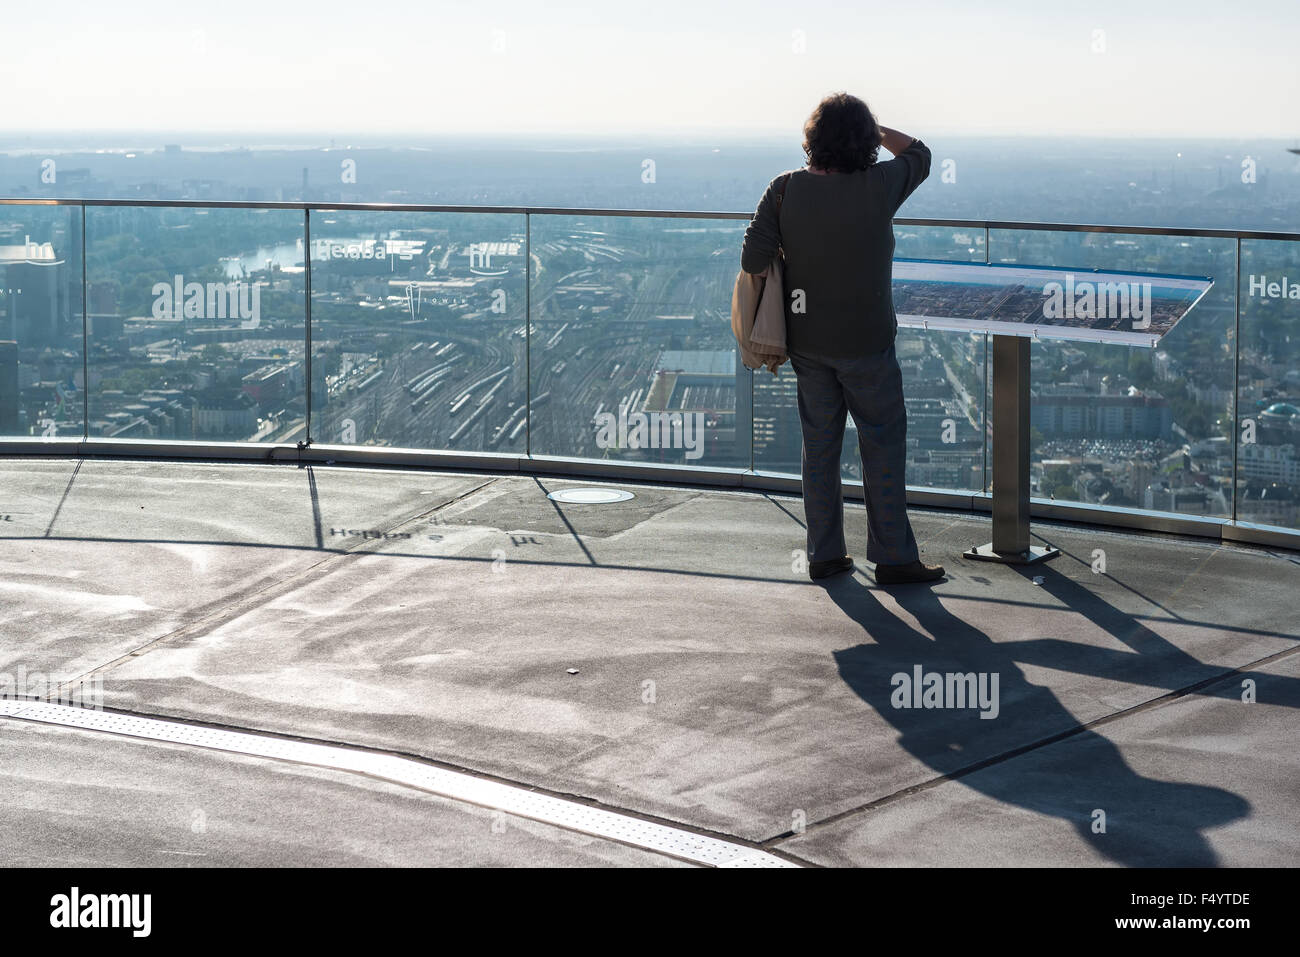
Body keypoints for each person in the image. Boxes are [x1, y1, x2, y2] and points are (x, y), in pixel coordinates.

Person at [741, 92, 945, 585]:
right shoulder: (880, 184)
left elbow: (753, 260)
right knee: (882, 447)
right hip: (868, 341)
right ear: (863, 143)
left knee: (820, 448)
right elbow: (919, 153)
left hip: (807, 341)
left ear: (812, 140)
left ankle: (825, 555)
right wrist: (874, 132)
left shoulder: (784, 189)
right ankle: (894, 559)